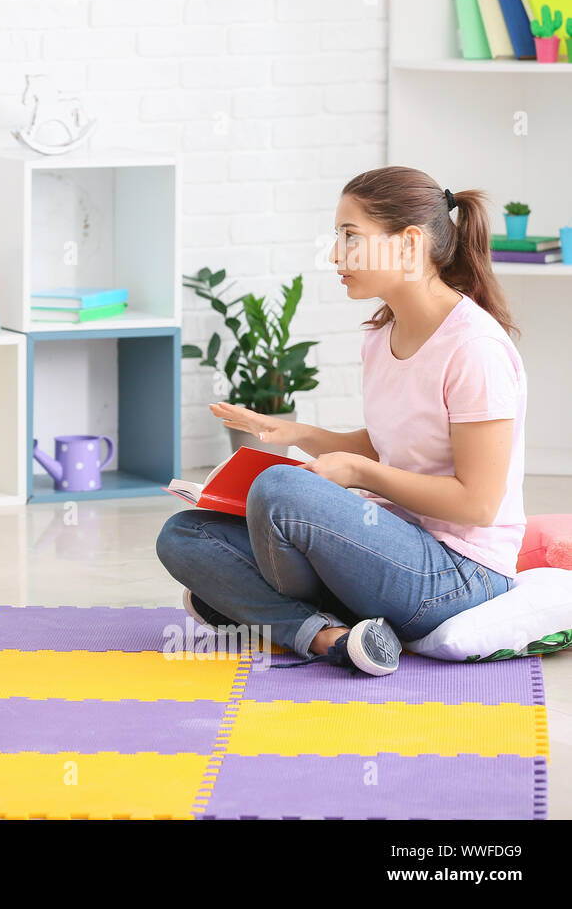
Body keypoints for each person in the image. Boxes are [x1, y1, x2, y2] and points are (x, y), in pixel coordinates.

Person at [156, 167, 526, 677]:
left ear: (408, 244)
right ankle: (333, 637)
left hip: (460, 574)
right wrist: (297, 434)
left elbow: (478, 504)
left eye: (350, 237)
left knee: (280, 490)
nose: (335, 255)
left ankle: (267, 615)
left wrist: (356, 475)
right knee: (185, 534)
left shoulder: (474, 349)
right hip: (391, 547)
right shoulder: (383, 335)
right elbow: (389, 446)